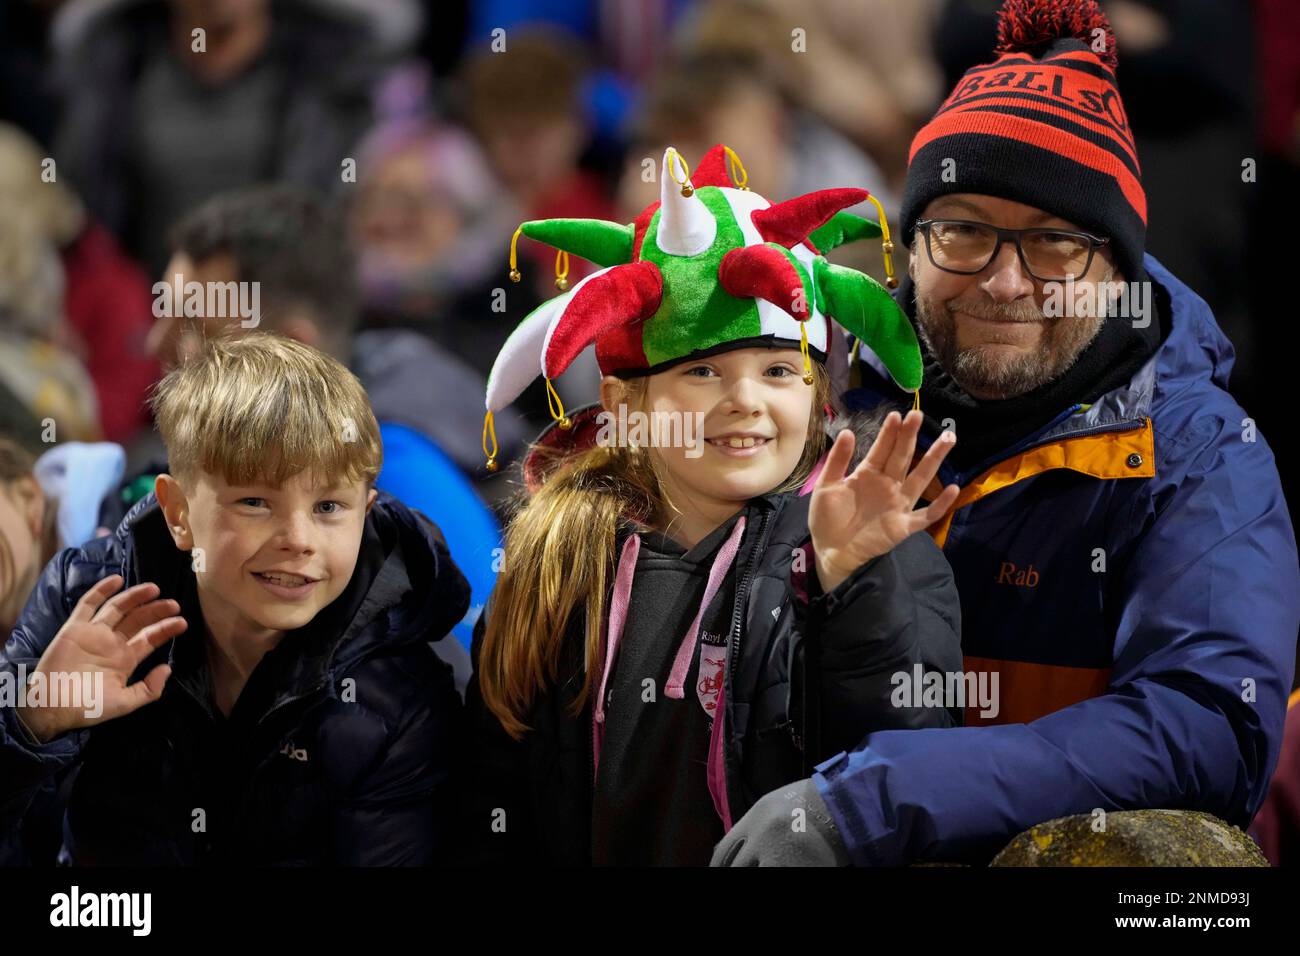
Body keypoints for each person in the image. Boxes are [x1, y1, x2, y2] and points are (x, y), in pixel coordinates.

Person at [715, 0, 1300, 866]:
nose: (1002, 280)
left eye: (1055, 243)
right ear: (910, 244)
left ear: (1114, 268)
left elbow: (1208, 728)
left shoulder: (1200, 457)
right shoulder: (808, 396)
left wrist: (877, 799)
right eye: (964, 231)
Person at [459, 144, 963, 865]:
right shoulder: (555, 554)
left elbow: (897, 777)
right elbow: (492, 788)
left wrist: (853, 587)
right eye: (702, 370)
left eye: (780, 370)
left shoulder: (877, 552)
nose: (746, 401)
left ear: (818, 398)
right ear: (624, 403)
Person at [0, 333, 469, 865]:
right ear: (178, 513)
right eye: (254, 502)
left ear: (367, 508)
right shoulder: (82, 600)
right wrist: (30, 727)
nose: (299, 538)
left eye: (329, 506)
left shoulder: (401, 695)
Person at [150, 184, 514, 653]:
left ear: (292, 346)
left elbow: (480, 676)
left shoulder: (397, 472)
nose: (155, 345)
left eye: (195, 330)